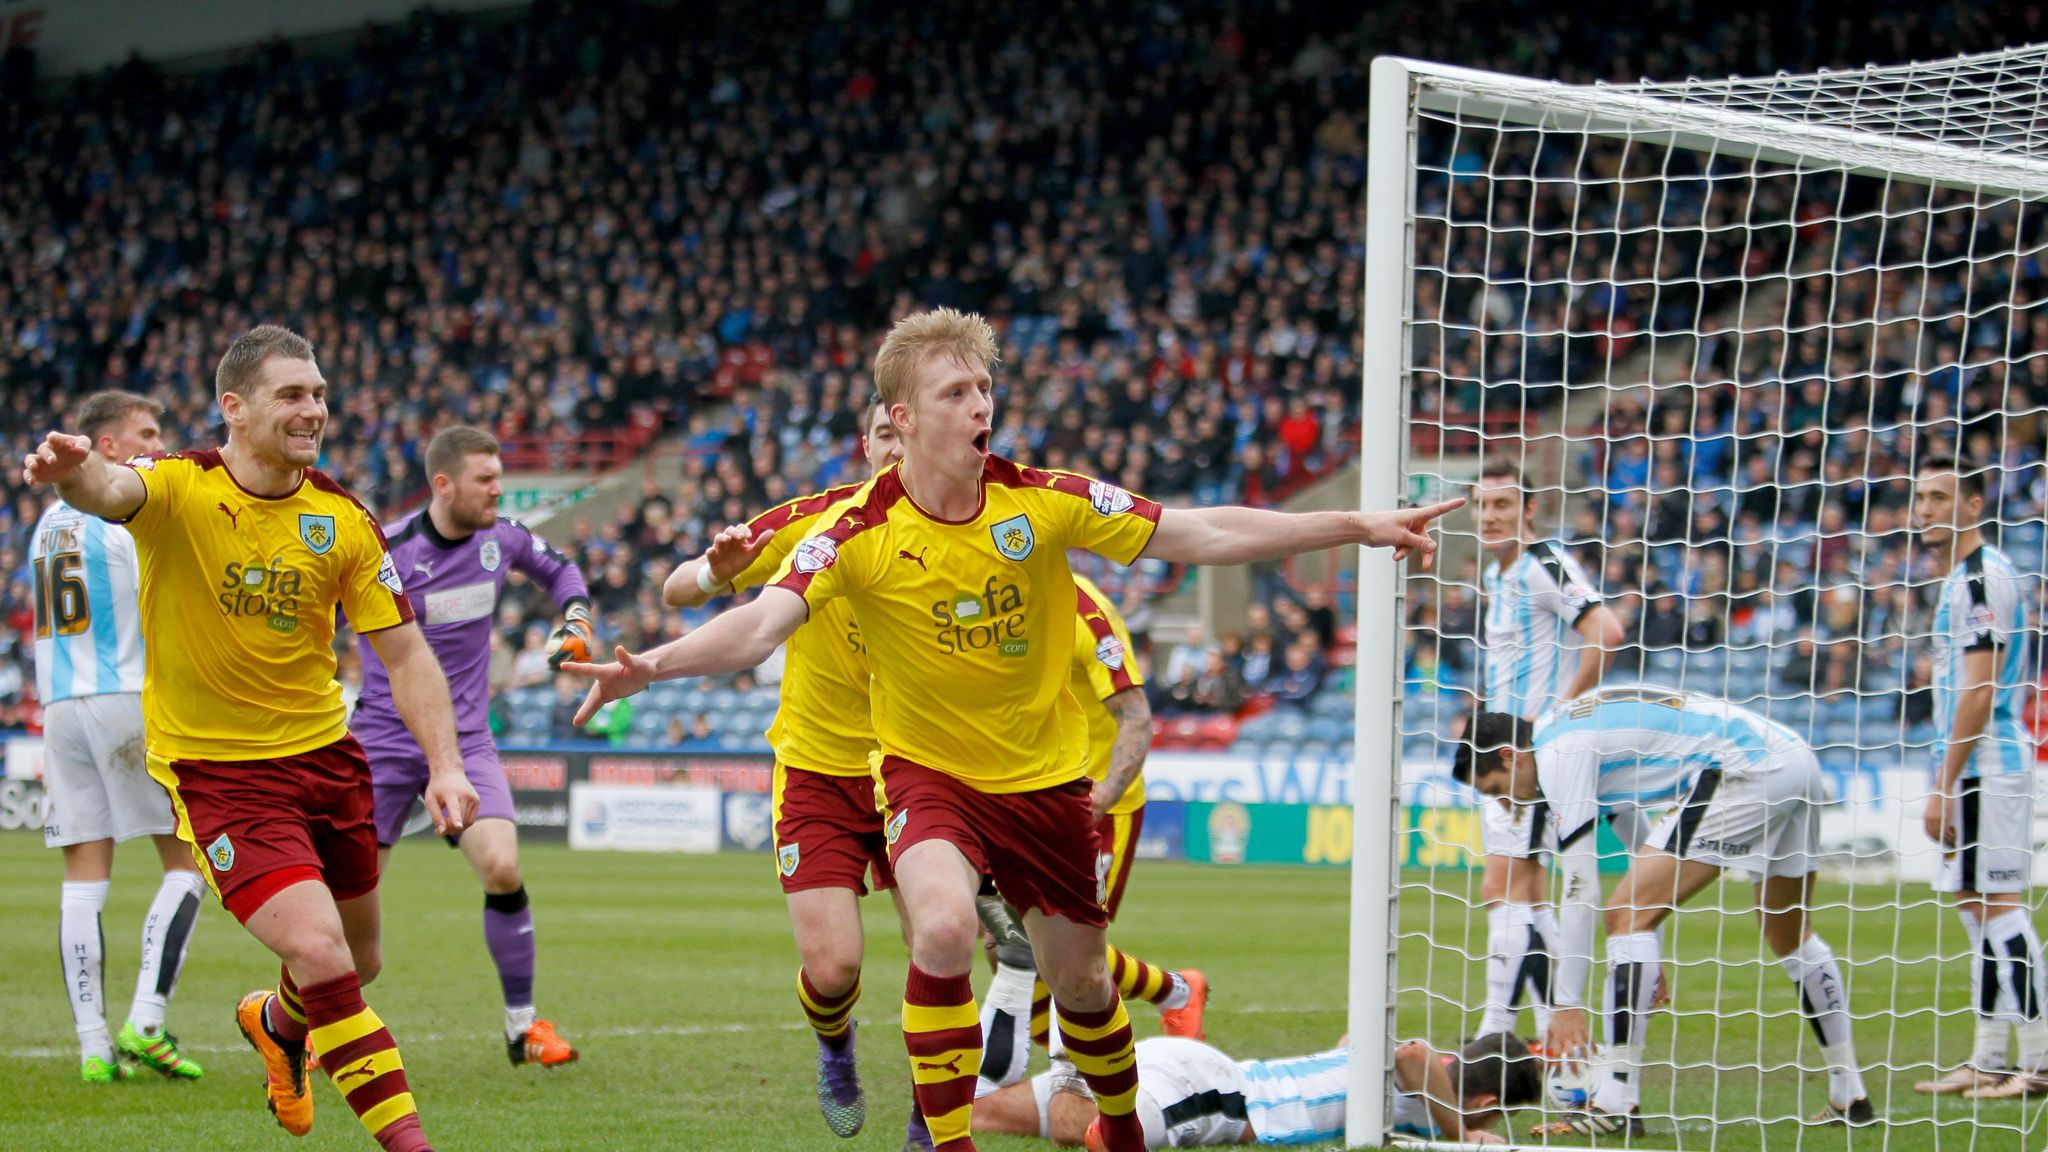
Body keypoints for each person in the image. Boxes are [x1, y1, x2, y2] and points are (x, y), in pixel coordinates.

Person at [565, 307, 1460, 1152]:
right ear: (902, 419)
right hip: (922, 777)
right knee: (946, 932)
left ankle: (1123, 1130)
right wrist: (651, 665)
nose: (981, 405)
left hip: (1042, 784)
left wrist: (1356, 525)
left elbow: (1202, 533)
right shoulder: (850, 531)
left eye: (985, 388)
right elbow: (759, 624)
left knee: (1084, 985)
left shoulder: (1044, 502)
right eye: (956, 393)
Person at [21, 325, 479, 1152]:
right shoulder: (179, 488)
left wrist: (445, 764)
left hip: (328, 762)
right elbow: (110, 488)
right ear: (234, 407)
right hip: (219, 776)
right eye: (293, 395)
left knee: (358, 960)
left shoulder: (342, 518)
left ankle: (273, 1022)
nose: (315, 411)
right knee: (320, 949)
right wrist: (73, 470)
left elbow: (406, 654)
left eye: (320, 395)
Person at [1457, 690, 1874, 1137]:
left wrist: (1567, 1005)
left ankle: (1616, 1102)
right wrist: (1643, 954)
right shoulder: (1571, 728)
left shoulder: (1557, 755)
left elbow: (1581, 887)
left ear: (1509, 755)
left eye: (1498, 791)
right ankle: (1849, 1094)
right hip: (1794, 758)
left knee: (1625, 912)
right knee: (1787, 933)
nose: (1508, 806)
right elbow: (1639, 844)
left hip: (1746, 769)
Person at [659, 395, 908, 1143]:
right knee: (832, 970)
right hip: (818, 770)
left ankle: (934, 1117)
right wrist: (713, 573)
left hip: (920, 767)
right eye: (882, 436)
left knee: (944, 944)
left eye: (905, 433)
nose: (895, 448)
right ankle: (837, 1052)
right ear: (864, 446)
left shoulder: (977, 520)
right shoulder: (813, 520)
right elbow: (675, 588)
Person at [350, 424, 593, 1069]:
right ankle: (314, 1027)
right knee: (352, 913)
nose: (497, 490)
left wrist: (576, 619)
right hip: (383, 740)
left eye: (498, 477)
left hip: (466, 742)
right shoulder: (390, 550)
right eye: (484, 479)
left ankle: (522, 1027)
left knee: (503, 868)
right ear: (443, 484)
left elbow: (561, 569)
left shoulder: (502, 539)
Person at [976, 574, 1206, 1102]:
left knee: (1071, 951)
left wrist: (1100, 799)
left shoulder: (1083, 610)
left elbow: (1136, 717)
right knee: (1001, 940)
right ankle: (1173, 990)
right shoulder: (975, 598)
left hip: (1096, 807)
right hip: (1017, 798)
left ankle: (1072, 1066)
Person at [31, 390, 206, 1083]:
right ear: (105, 447)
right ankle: (148, 1021)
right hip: (128, 699)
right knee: (188, 860)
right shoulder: (125, 514)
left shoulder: (47, 521)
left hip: (60, 706)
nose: (157, 445)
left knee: (82, 880)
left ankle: (94, 1048)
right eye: (147, 433)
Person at [1469, 462, 1628, 1048]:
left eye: (1503, 505)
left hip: (1531, 759)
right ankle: (1554, 1032)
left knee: (1503, 888)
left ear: (1528, 510)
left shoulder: (1543, 565)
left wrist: (1553, 715)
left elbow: (1606, 632)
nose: (1490, 516)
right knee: (1527, 896)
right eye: (1482, 505)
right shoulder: (1498, 575)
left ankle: (1496, 1031)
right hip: (1508, 754)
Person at [1908, 455, 2047, 1099]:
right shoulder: (1962, 579)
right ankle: (1990, 1058)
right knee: (1976, 909)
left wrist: (1944, 780)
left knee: (1999, 906)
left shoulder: (1980, 580)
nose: (1926, 509)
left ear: (1973, 505)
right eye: (1920, 498)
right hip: (1976, 765)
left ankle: (2041, 1061)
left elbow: (1982, 687)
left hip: (1988, 765)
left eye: (1940, 497)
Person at [969, 1032, 1539, 1148]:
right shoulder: (1433, 1085)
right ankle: (1070, 1036)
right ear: (1486, 1105)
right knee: (1094, 1136)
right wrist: (1462, 1134)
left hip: (1199, 1074)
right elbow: (1416, 1056)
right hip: (1219, 1094)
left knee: (980, 1118)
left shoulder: (1415, 1102)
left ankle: (1075, 1056)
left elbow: (1354, 1040)